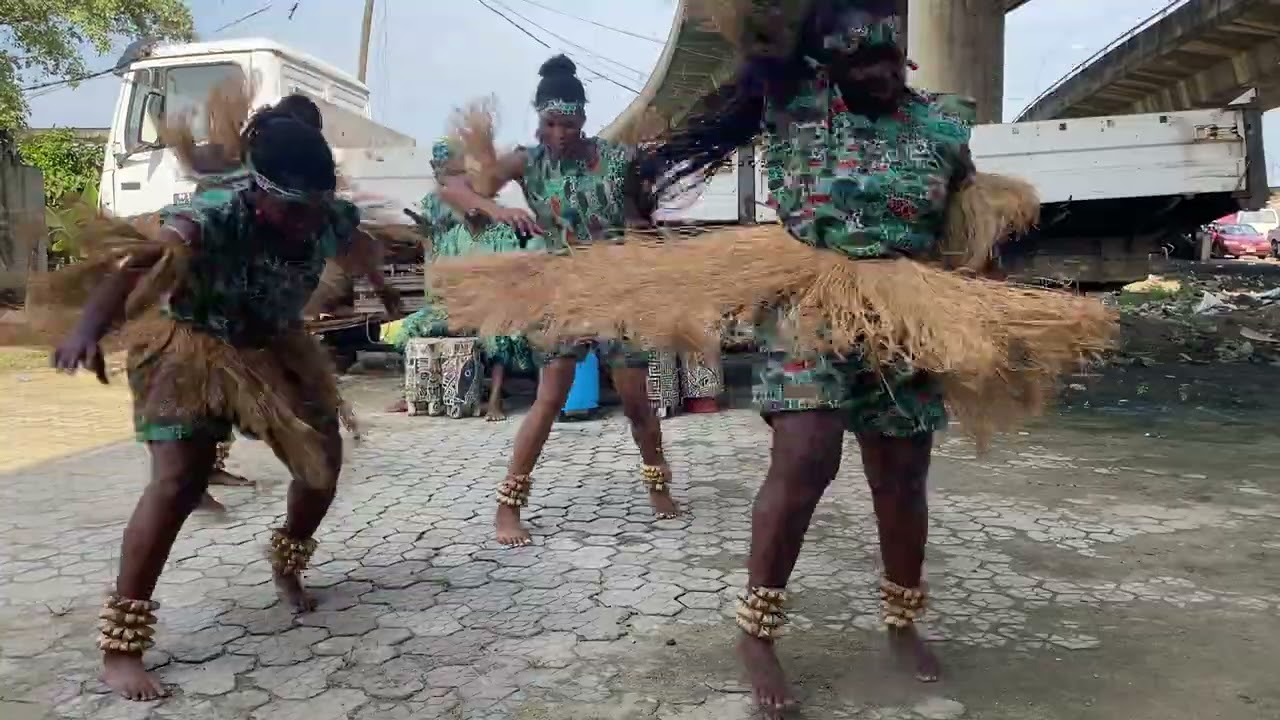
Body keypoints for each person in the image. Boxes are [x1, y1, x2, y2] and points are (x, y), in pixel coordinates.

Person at [426, 1, 1114, 714]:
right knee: (807, 456)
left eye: (888, 59)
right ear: (827, 61)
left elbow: (965, 222)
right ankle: (757, 631)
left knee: (901, 474)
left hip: (906, 313)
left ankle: (903, 619)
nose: (878, 74)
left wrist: (982, 307)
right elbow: (762, 24)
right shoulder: (793, 99)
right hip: (808, 303)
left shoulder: (941, 123)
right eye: (859, 63)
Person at [41, 107, 397, 701]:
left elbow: (359, 246)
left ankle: (287, 562)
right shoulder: (213, 213)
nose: (303, 222)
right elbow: (139, 262)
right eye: (291, 209)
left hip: (272, 342)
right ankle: (122, 646)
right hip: (190, 342)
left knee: (321, 464)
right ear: (259, 190)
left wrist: (383, 288)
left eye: (313, 208)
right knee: (178, 481)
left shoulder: (326, 215)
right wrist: (87, 329)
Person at [440, 55, 681, 546]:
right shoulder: (527, 162)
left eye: (567, 124)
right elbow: (454, 187)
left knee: (637, 403)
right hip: (563, 292)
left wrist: (645, 241)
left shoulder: (616, 159)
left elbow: (638, 216)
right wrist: (495, 209)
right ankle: (508, 506)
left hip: (618, 290)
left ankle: (658, 486)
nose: (559, 133)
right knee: (549, 400)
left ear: (583, 118)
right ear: (540, 118)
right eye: (550, 123)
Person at [186, 93, 329, 508]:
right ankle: (191, 479)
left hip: (258, 316)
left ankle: (203, 469)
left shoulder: (298, 188)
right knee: (206, 395)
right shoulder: (240, 188)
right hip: (214, 313)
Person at [384, 138, 540, 420]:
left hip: (493, 307)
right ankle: (414, 392)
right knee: (411, 326)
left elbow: (509, 279)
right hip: (459, 307)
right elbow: (447, 279)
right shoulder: (453, 237)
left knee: (500, 334)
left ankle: (495, 400)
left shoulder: (502, 233)